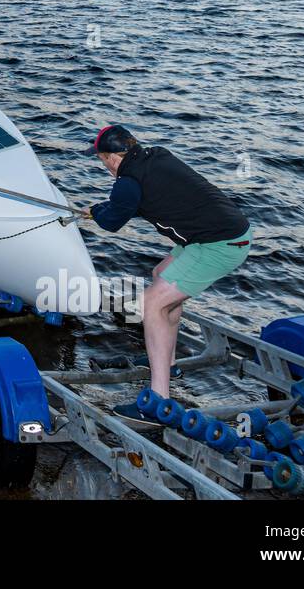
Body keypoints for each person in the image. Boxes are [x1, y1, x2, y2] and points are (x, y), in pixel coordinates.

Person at [81, 125, 252, 417]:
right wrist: (106, 208)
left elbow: (112, 221)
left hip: (220, 244)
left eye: (100, 159)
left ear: (110, 158)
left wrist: (96, 211)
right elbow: (142, 200)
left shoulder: (126, 183)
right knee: (162, 274)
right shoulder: (156, 156)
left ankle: (158, 400)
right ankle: (168, 364)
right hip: (219, 233)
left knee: (151, 303)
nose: (104, 166)